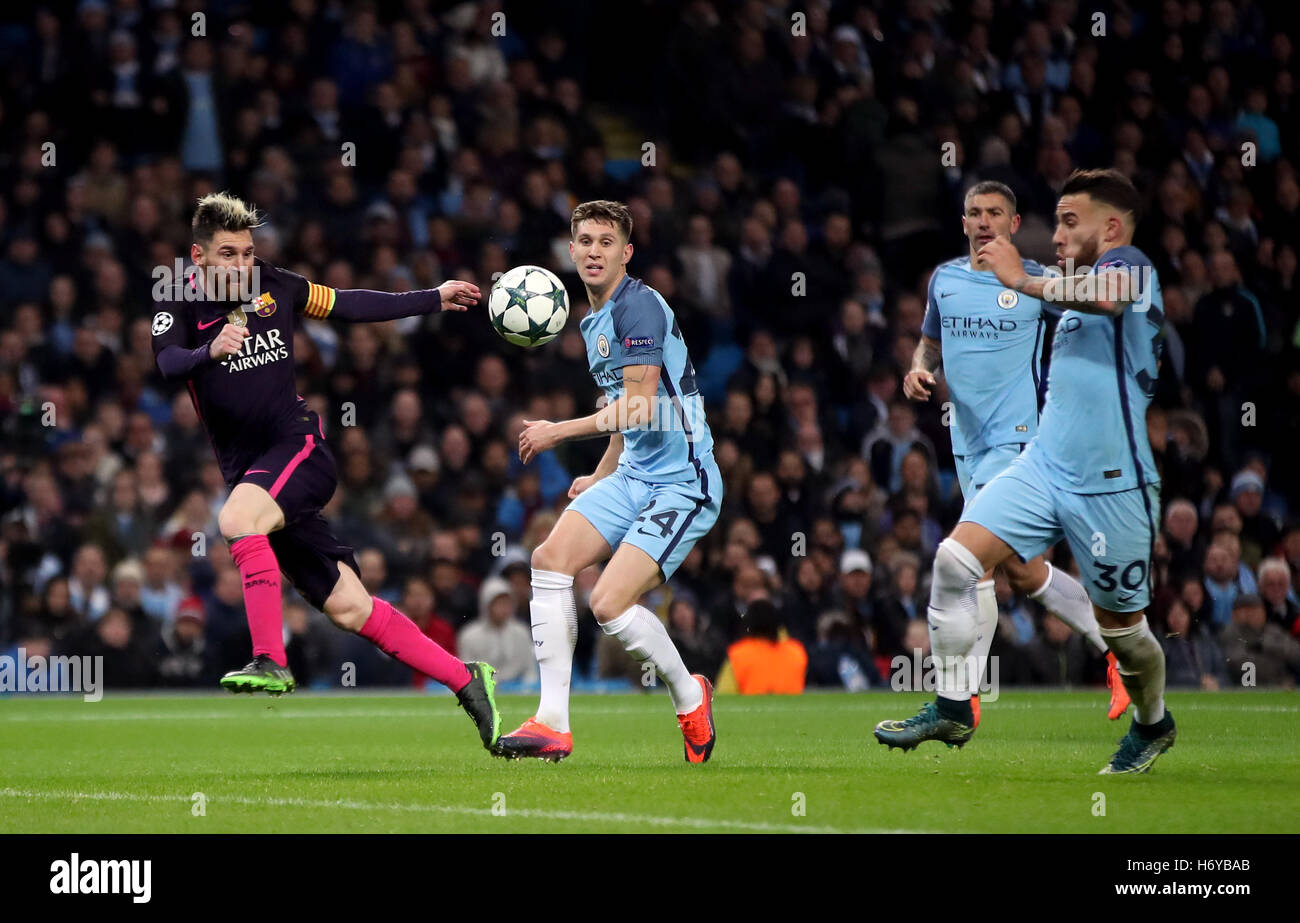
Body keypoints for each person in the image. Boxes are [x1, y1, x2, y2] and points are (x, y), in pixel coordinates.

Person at [150, 192, 500, 750]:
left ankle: (270, 659)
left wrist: (432, 297)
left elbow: (350, 304)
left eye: (246, 252)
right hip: (254, 474)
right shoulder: (178, 304)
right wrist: (209, 350)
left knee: (237, 518)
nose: (242, 264)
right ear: (198, 258)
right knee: (349, 607)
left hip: (299, 449)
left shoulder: (277, 284)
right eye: (228, 254)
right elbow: (168, 363)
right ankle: (467, 680)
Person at [876, 169, 1176, 774]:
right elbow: (937, 338)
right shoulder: (1007, 281)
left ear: (1111, 227)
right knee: (957, 560)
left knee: (1125, 631)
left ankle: (1153, 720)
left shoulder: (1131, 268)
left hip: (1111, 480)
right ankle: (954, 705)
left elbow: (1109, 296)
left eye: (1070, 221)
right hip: (1040, 464)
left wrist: (1020, 279)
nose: (1056, 233)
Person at [496, 200, 723, 763]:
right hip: (631, 474)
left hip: (682, 482)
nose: (594, 252)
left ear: (626, 252)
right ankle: (552, 723)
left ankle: (691, 695)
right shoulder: (593, 317)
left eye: (606, 242)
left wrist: (558, 431)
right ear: (570, 251)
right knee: (548, 561)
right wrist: (598, 476)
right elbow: (622, 410)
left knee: (607, 603)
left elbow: (641, 408)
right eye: (585, 241)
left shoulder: (640, 307)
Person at [905, 179, 1129, 726]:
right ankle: (1122, 651)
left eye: (995, 213)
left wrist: (1039, 282)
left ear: (1013, 222)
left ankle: (960, 700)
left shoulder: (1035, 280)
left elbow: (1106, 301)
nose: (983, 221)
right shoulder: (945, 280)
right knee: (1026, 574)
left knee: (970, 560)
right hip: (968, 446)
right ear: (963, 223)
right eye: (974, 213)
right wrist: (920, 368)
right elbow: (931, 341)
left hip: (1020, 442)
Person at [716, 600, 807, 694]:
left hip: (749, 707)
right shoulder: (797, 652)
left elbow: (724, 694)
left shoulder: (738, 654)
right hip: (791, 707)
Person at [458, 578, 538, 684]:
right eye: (498, 604)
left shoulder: (521, 632)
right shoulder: (469, 635)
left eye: (507, 603)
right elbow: (466, 671)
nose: (504, 608)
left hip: (518, 688)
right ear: (487, 605)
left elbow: (530, 670)